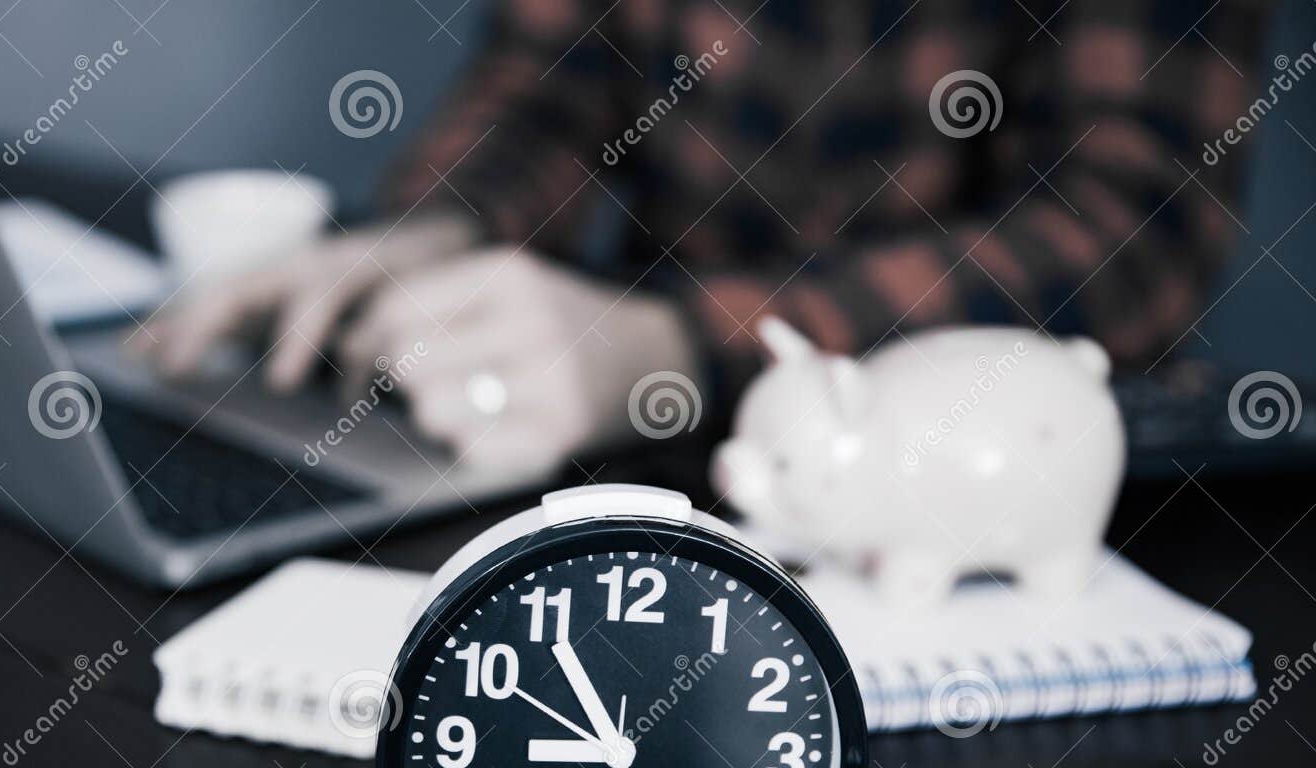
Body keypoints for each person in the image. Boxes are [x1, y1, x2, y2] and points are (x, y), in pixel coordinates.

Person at [145, 0, 1269, 473]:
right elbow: (551, 77)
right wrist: (431, 229)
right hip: (651, 447)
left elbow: (1129, 237)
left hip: (986, 481)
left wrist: (673, 348)